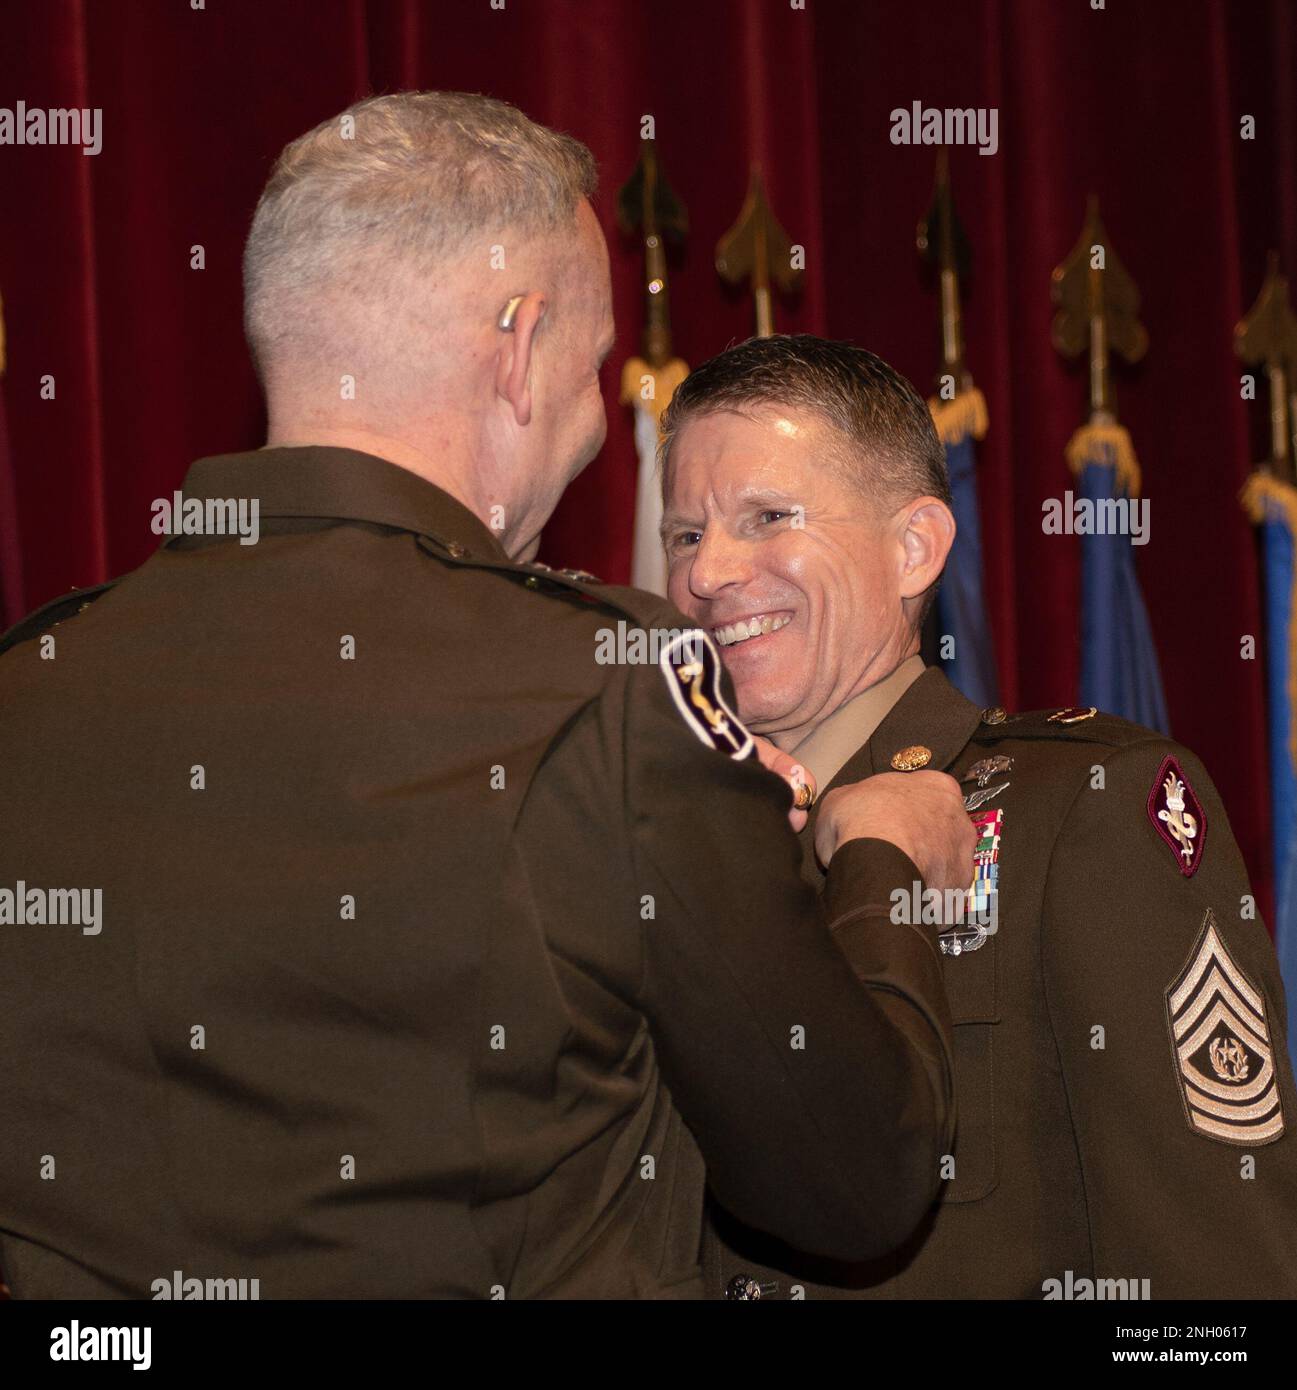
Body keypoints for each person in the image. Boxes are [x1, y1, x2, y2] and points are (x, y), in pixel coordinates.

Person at [0, 97, 973, 1300]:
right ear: (516, 348)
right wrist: (875, 867)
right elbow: (855, 1178)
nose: (591, 424)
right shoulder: (607, 687)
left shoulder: (31, 685)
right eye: (592, 366)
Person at [659, 333, 1297, 1300]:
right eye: (685, 534)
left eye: (767, 517)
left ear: (913, 547)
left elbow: (1217, 1289)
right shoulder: (661, 848)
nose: (708, 574)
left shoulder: (1081, 806)